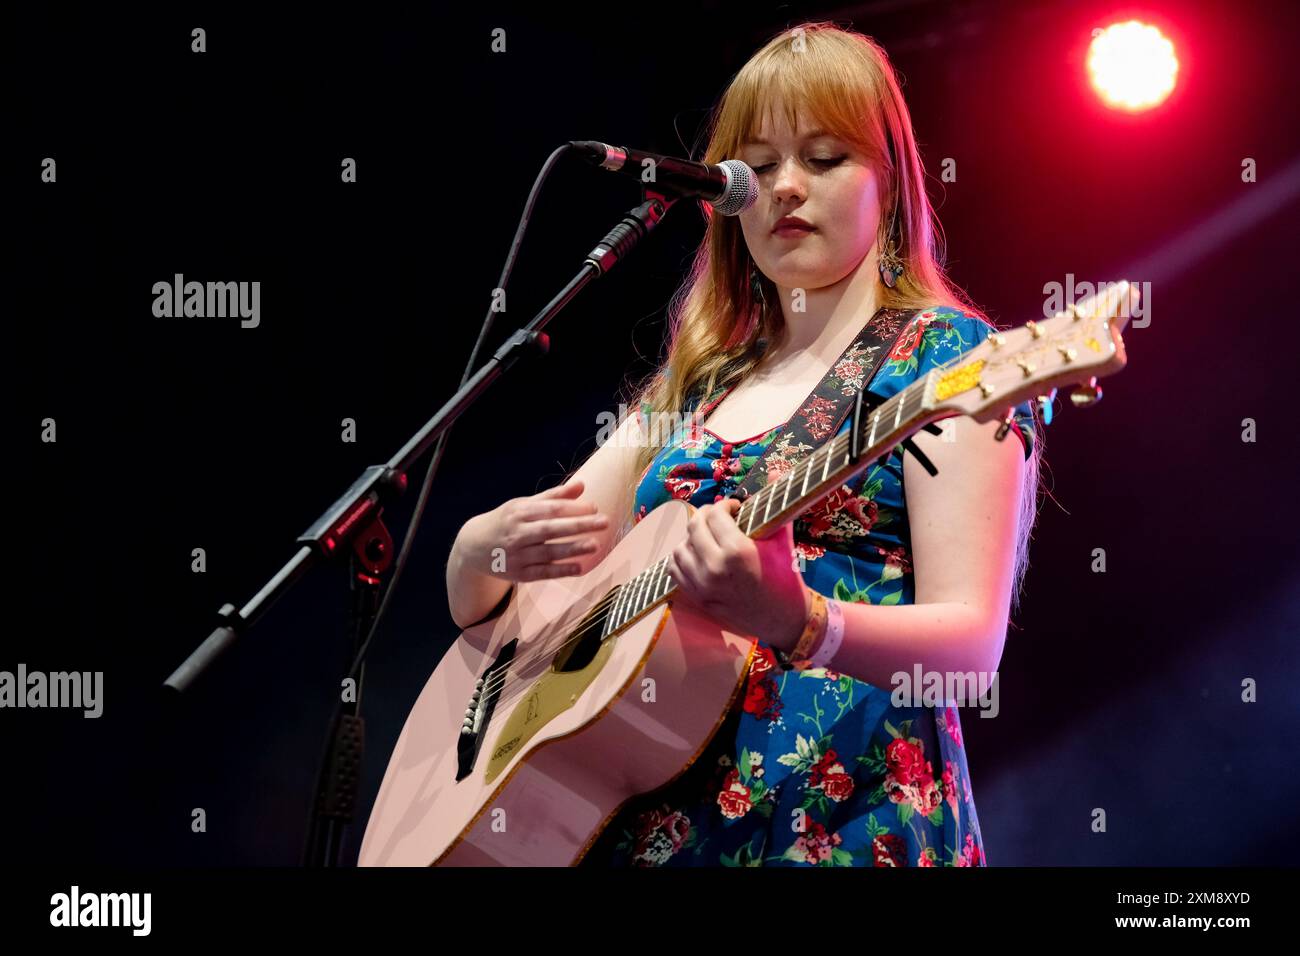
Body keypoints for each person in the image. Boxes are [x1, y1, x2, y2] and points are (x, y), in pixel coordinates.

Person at [445, 21, 1042, 867]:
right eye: (756, 168)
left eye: (825, 158)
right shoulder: (696, 384)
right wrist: (475, 552)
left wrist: (798, 619)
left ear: (891, 187)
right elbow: (519, 592)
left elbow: (969, 658)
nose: (784, 189)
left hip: (843, 821)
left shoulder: (944, 359)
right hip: (651, 827)